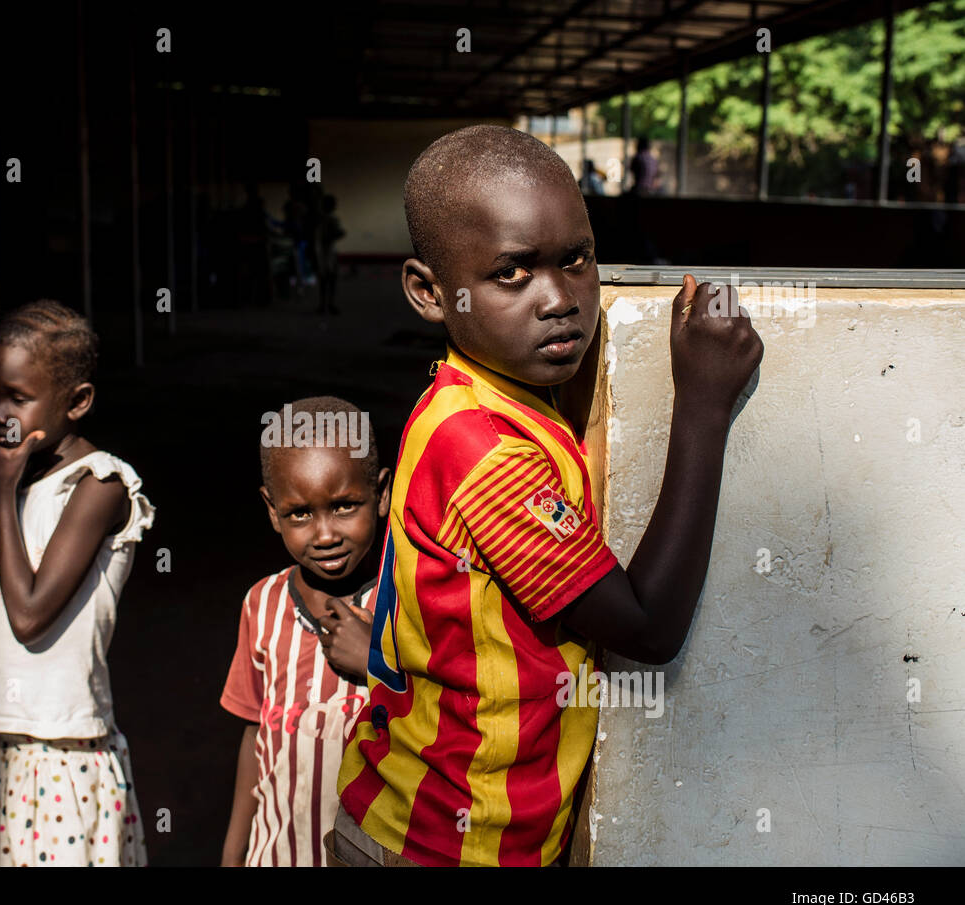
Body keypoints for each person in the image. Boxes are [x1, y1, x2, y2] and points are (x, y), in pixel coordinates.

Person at [334, 124, 763, 866]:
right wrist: (702, 406)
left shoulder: (481, 398)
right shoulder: (486, 453)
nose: (559, 299)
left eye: (576, 260)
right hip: (441, 842)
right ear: (430, 294)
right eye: (513, 272)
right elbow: (648, 627)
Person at [0, 299, 155, 866]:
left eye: (18, 397)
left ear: (77, 402)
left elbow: (29, 617)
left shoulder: (98, 486)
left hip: (57, 748)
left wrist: (2, 492)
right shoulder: (20, 480)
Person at [220, 395, 389, 866]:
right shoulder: (262, 604)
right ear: (272, 510)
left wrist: (377, 659)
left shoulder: (405, 604)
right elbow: (256, 734)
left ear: (381, 494)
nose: (325, 534)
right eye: (300, 514)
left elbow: (446, 713)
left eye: (344, 506)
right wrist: (233, 856)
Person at [312, 194, 346, 315]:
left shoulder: (320, 219)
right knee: (330, 278)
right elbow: (333, 234)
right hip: (327, 252)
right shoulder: (330, 219)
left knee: (324, 279)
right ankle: (328, 304)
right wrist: (337, 233)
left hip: (323, 251)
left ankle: (323, 304)